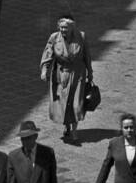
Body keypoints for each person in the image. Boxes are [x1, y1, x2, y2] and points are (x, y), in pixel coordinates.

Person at [39, 16, 94, 144]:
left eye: (66, 28)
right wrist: (44, 70)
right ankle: (67, 126)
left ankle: (74, 131)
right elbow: (48, 55)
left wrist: (90, 72)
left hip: (77, 74)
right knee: (63, 104)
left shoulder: (81, 36)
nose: (63, 30)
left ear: (72, 28)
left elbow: (87, 55)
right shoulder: (54, 37)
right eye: (61, 27)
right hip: (60, 75)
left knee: (76, 104)